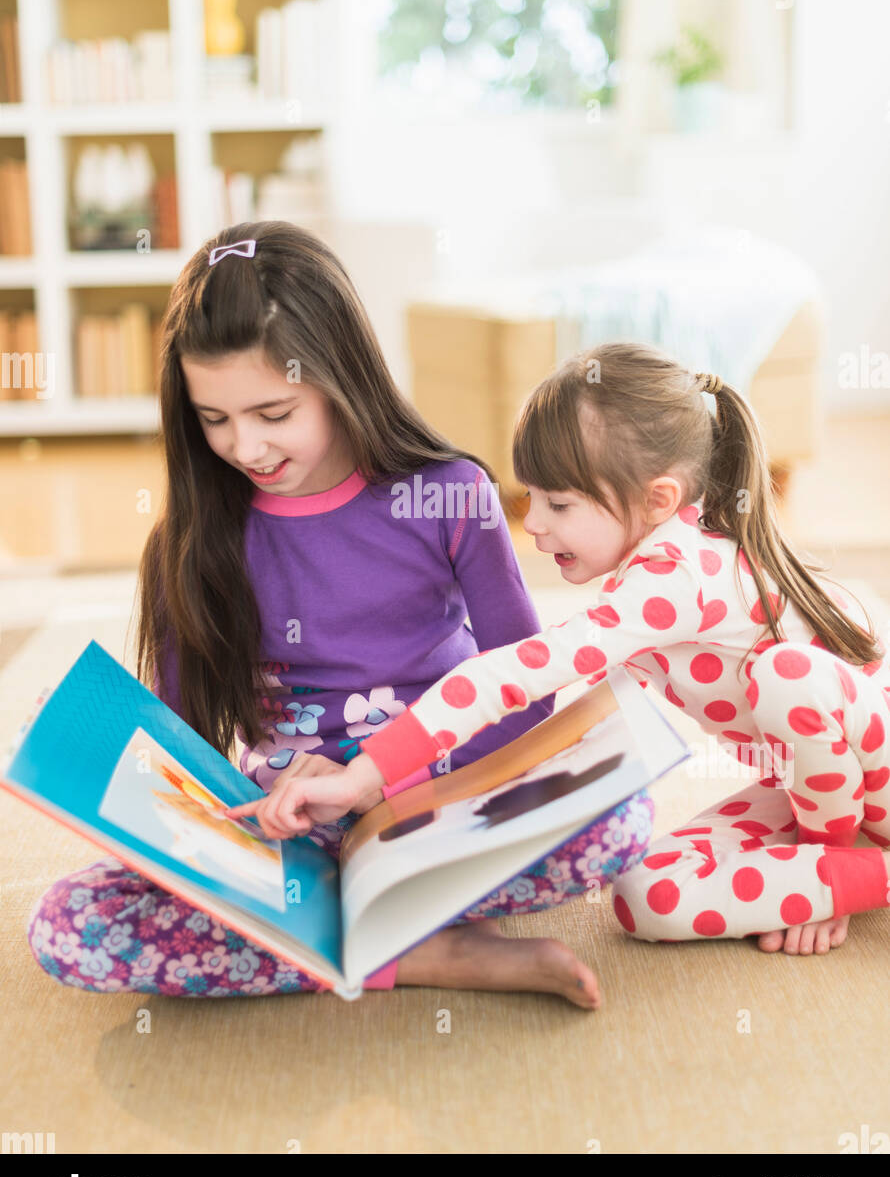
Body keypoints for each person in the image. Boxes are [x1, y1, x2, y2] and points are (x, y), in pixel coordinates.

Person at [26, 227, 654, 1009]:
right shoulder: (194, 535)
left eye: (273, 411)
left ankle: (340, 932)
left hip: (439, 797)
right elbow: (179, 743)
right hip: (293, 830)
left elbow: (524, 689)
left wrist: (383, 779)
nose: (244, 445)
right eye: (214, 419)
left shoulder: (450, 495)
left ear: (338, 375)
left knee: (621, 822)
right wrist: (134, 805)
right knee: (67, 925)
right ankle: (416, 951)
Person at [264, 341, 890, 961]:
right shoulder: (638, 583)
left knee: (788, 674)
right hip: (818, 789)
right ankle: (858, 873)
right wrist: (419, 791)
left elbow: (509, 676)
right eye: (531, 496)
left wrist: (363, 775)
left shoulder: (679, 576)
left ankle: (836, 868)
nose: (532, 522)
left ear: (658, 500)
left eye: (558, 503)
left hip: (864, 777)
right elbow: (573, 717)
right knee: (644, 894)